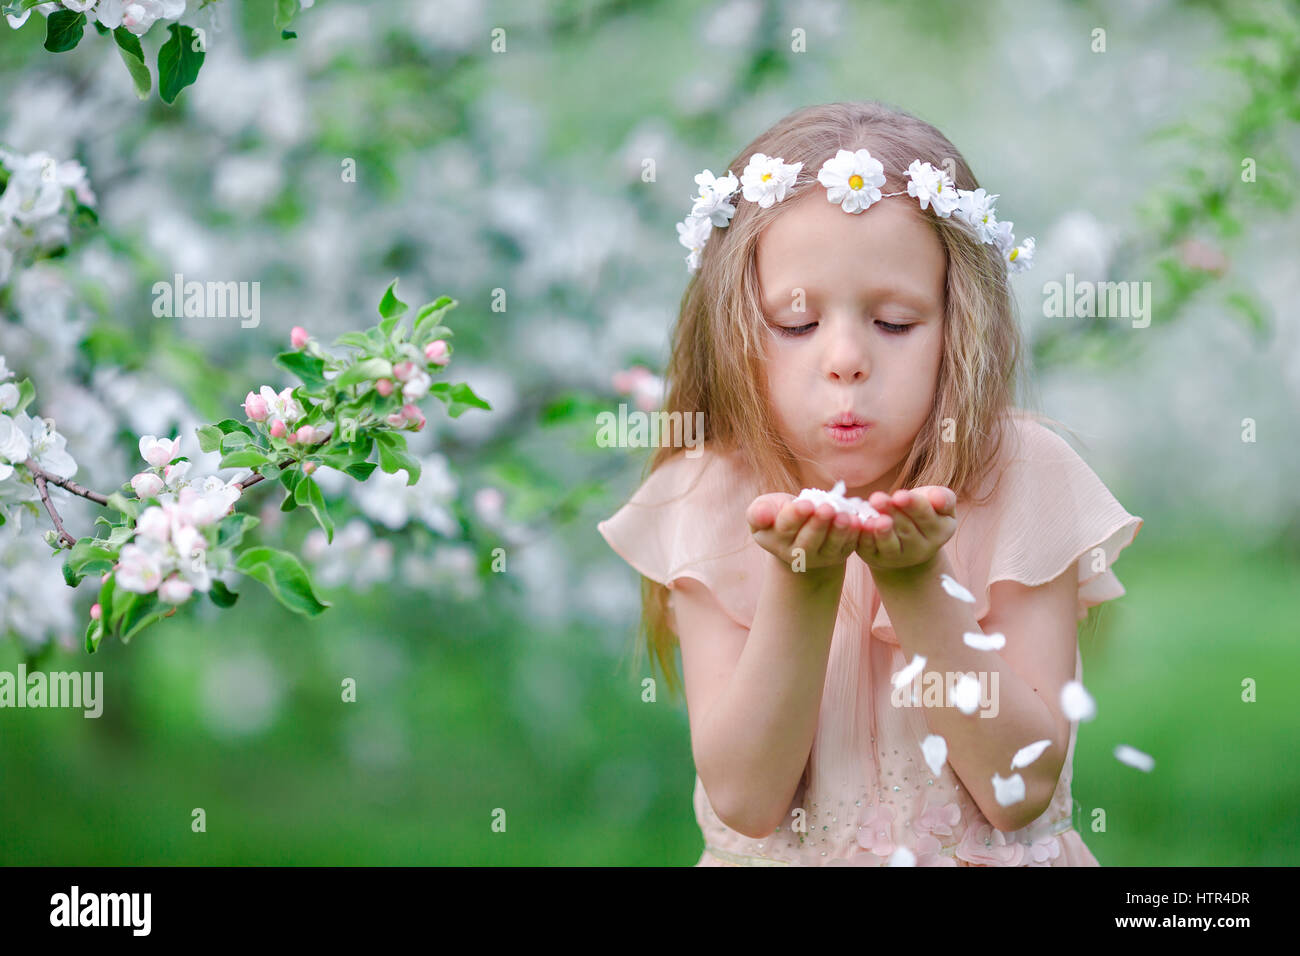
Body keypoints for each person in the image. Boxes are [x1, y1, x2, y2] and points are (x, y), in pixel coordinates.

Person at [597, 101, 1143, 866]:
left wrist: (920, 581)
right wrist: (803, 580)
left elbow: (1017, 792)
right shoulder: (706, 497)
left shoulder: (1023, 478)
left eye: (893, 321)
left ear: (961, 324)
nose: (846, 358)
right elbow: (748, 803)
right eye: (795, 324)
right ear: (734, 329)